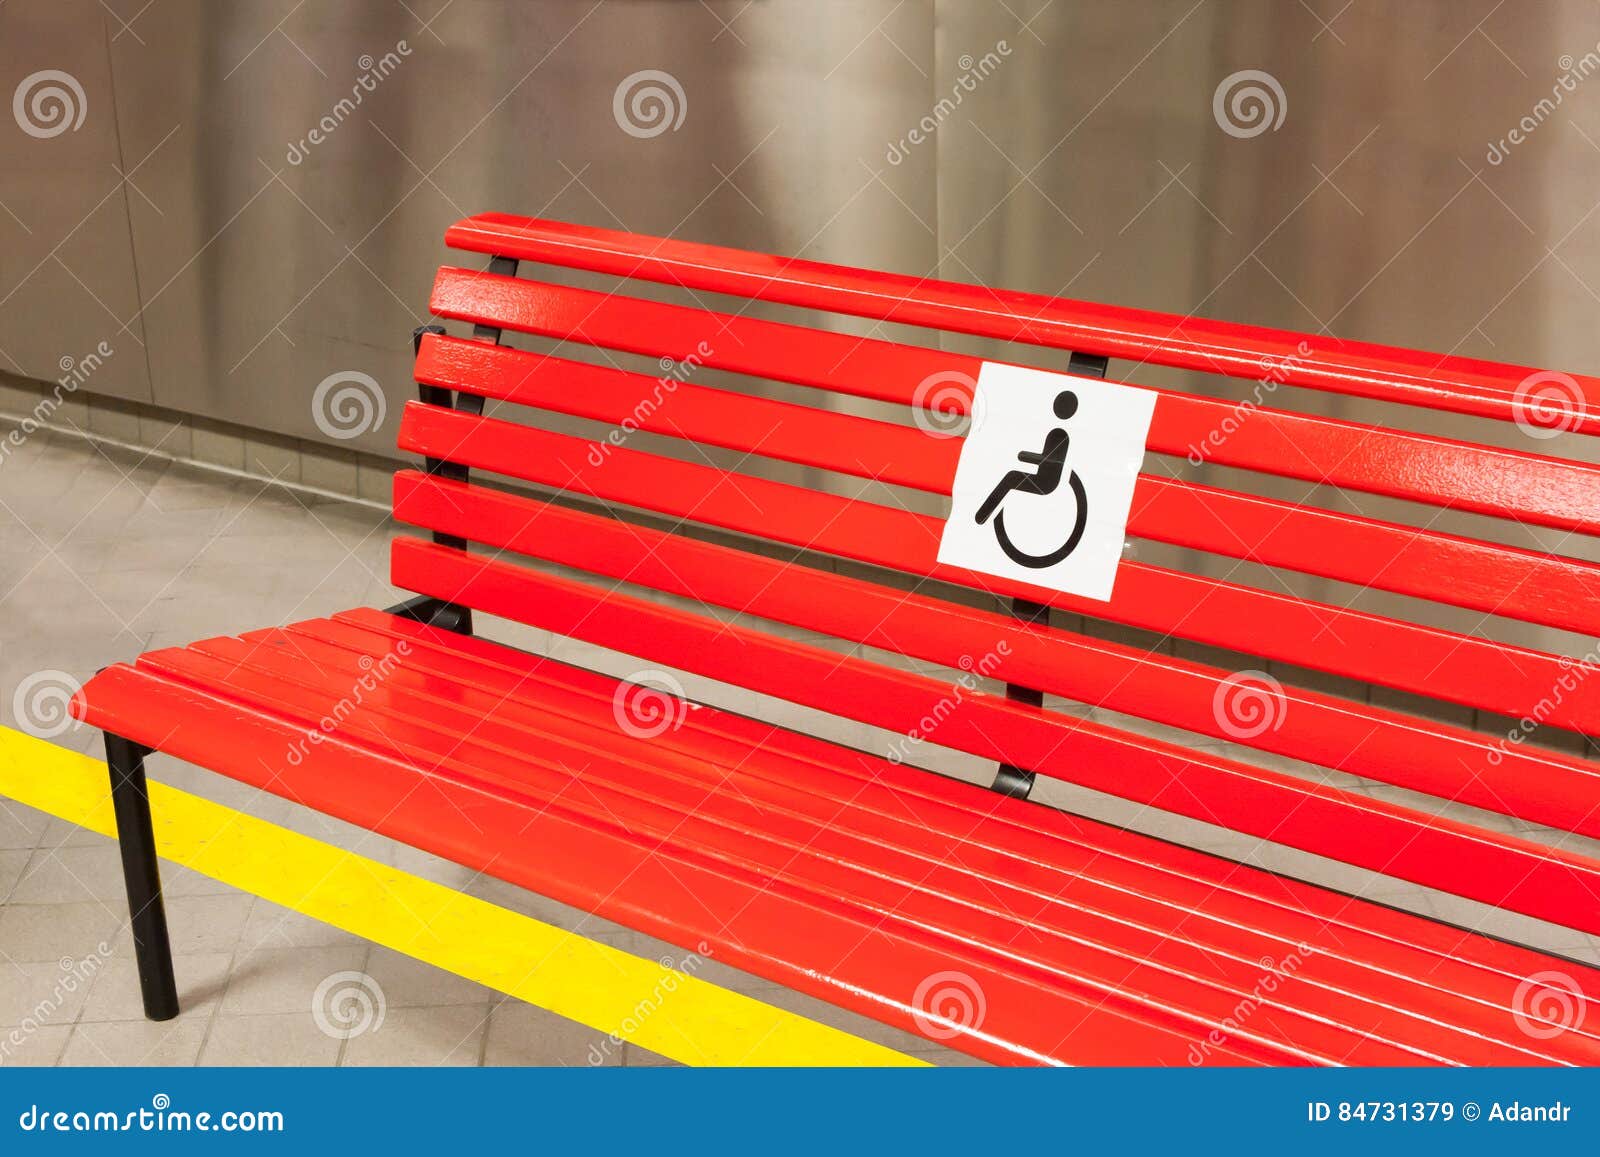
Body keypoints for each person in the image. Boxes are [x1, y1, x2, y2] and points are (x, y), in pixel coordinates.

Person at [975, 390, 1079, 526]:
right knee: (1012, 477)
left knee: (1011, 477)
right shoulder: (1057, 433)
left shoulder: (1058, 434)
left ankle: (982, 516)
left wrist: (1024, 456)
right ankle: (982, 516)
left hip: (1046, 482)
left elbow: (1050, 462)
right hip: (1044, 478)